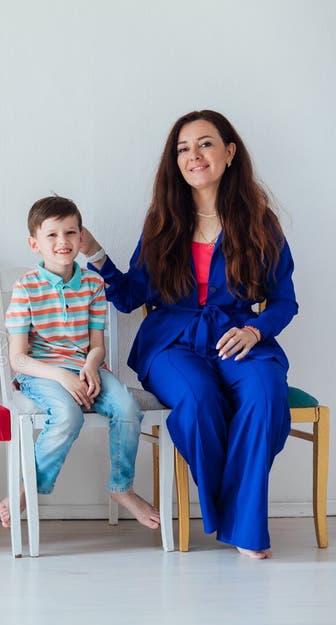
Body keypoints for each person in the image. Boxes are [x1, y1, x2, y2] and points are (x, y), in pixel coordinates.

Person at [81, 109, 297, 559]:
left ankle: (240, 522)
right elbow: (131, 295)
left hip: (235, 335)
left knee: (265, 392)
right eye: (183, 148)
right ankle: (242, 521)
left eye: (205, 144)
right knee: (198, 399)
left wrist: (255, 330)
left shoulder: (260, 223)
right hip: (171, 343)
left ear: (229, 152)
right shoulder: (163, 221)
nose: (193, 155)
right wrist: (96, 253)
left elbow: (283, 301)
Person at [0, 195, 161, 532]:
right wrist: (62, 375)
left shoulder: (92, 284)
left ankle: (122, 488)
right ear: (34, 243)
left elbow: (97, 345)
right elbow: (18, 358)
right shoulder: (26, 288)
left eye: (71, 232)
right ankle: (29, 486)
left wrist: (89, 367)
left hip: (87, 369)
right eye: (52, 234)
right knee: (67, 415)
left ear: (81, 236)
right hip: (41, 373)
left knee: (127, 407)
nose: (63, 241)